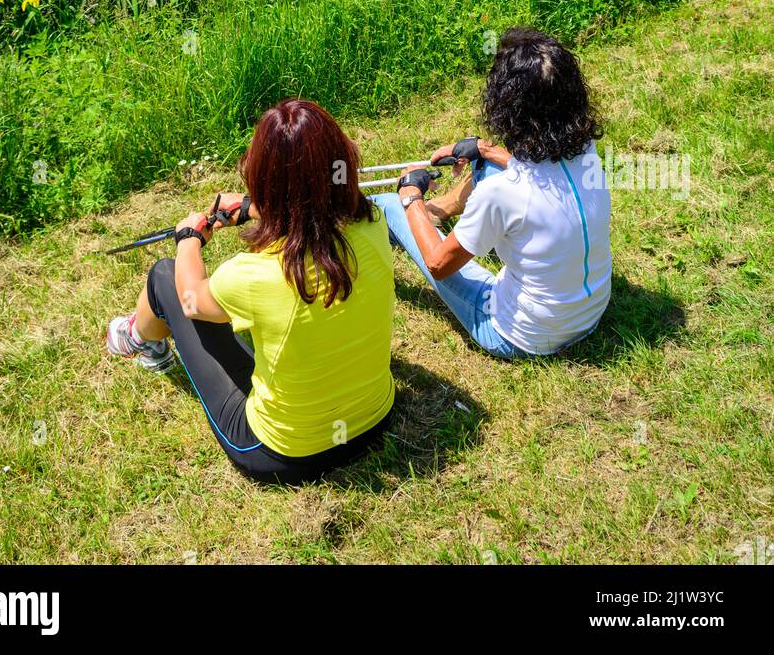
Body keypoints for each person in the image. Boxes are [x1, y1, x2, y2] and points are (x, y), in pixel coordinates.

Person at [107, 98, 395, 483]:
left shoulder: (255, 274)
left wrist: (189, 238)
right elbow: (314, 206)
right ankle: (139, 337)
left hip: (285, 454)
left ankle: (138, 340)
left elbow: (191, 299)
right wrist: (260, 208)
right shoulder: (374, 221)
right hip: (376, 420)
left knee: (165, 276)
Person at [371, 28, 611, 359]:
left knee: (386, 204)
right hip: (591, 315)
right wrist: (484, 150)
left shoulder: (502, 193)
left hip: (518, 336)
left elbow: (439, 265)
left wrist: (410, 194)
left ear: (506, 107)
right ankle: (434, 214)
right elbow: (535, 175)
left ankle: (352, 227)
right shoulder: (586, 149)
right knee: (491, 168)